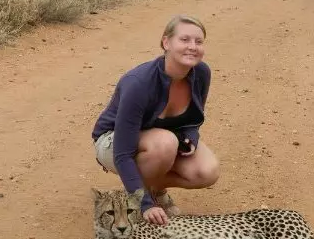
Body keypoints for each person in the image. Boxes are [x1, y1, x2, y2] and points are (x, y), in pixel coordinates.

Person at [92, 15, 219, 225]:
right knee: (165, 144)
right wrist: (145, 205)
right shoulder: (139, 83)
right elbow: (123, 154)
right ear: (166, 42)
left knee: (207, 171)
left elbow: (193, 121)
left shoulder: (201, 73)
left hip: (160, 139)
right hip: (113, 143)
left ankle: (143, 188)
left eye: (199, 41)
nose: (192, 47)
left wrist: (190, 137)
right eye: (184, 40)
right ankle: (144, 198)